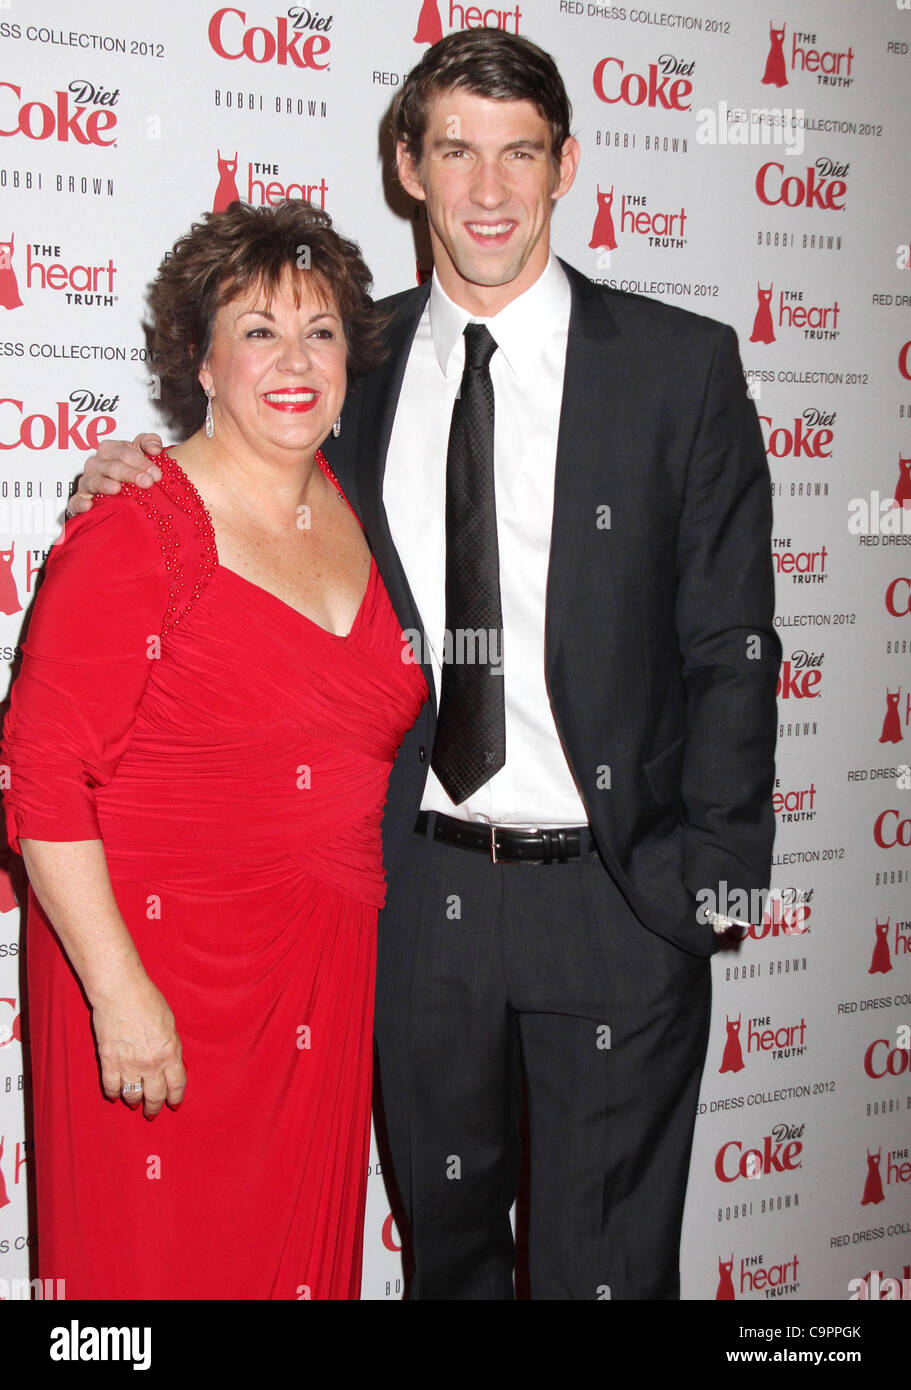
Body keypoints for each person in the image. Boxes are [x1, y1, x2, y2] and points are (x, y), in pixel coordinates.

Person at [72, 30, 780, 1300]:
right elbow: (237, 485)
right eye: (455, 149)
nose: (489, 189)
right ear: (408, 167)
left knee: (602, 1278)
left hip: (618, 899)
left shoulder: (678, 369)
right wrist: (122, 473)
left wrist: (703, 884)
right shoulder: (354, 360)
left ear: (567, 164)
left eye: (520, 153)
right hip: (412, 902)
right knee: (444, 1266)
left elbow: (731, 646)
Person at [2, 201, 427, 1299]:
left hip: (317, 978)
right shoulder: (140, 524)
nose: (293, 361)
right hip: (156, 973)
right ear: (200, 358)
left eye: (321, 331)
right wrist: (118, 993)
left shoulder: (358, 498)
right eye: (257, 330)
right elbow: (40, 774)